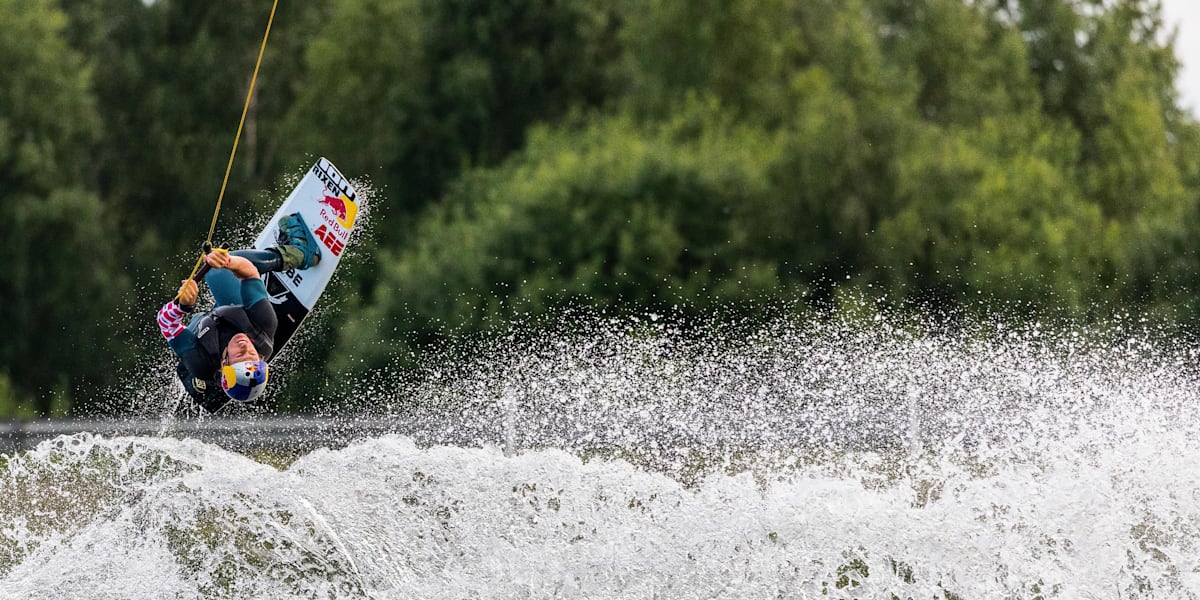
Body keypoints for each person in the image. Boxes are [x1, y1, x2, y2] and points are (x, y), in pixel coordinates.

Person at [157, 213, 321, 413]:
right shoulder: (263, 328)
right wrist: (226, 262)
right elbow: (250, 272)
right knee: (217, 271)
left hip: (206, 329)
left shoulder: (200, 361)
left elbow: (166, 322)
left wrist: (182, 306)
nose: (246, 347)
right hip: (235, 308)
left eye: (240, 355)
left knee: (187, 357)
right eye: (252, 355)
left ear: (223, 364)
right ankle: (298, 253)